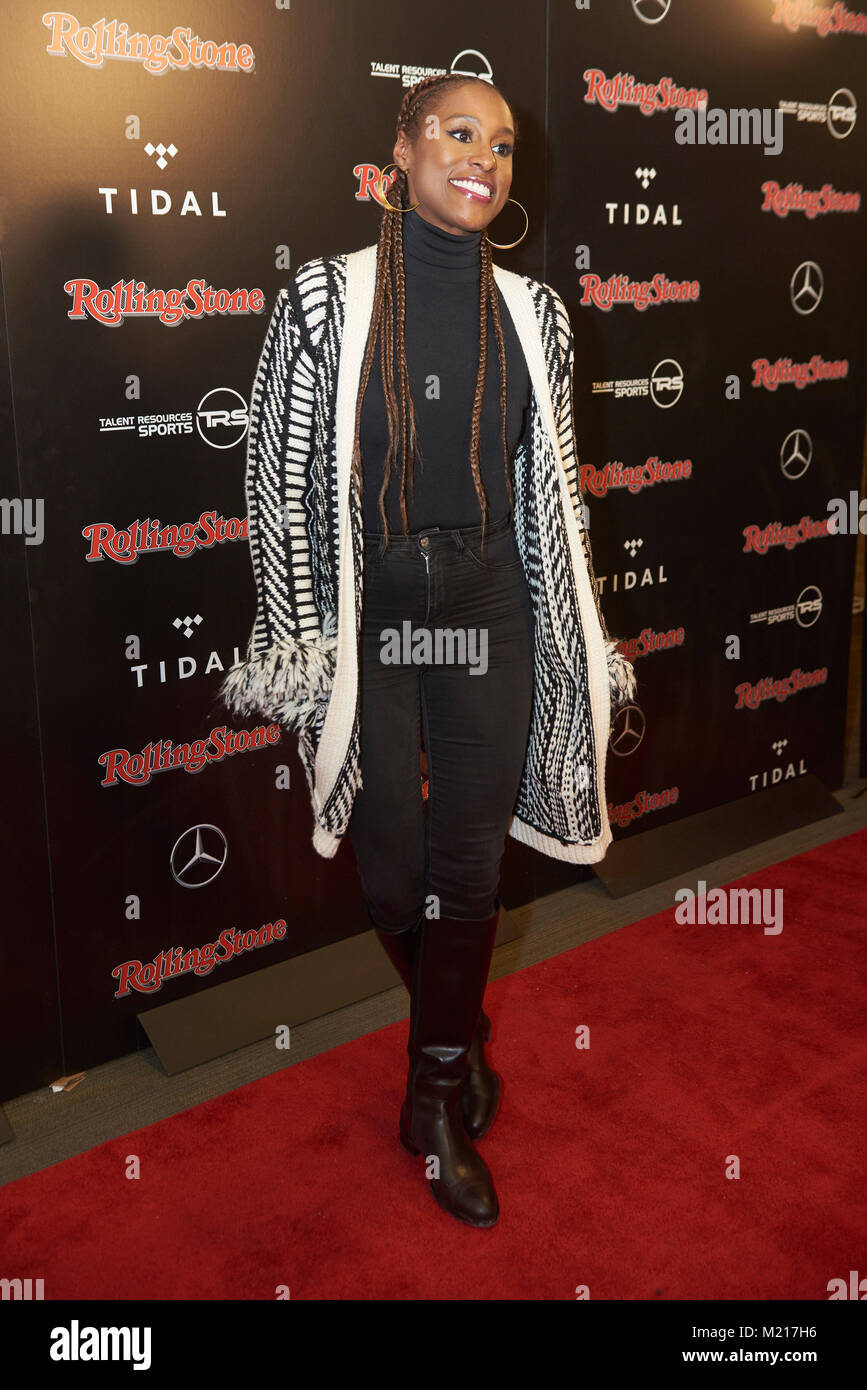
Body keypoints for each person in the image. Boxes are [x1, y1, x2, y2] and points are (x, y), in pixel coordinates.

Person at [218, 72, 636, 1230]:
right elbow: (275, 481)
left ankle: (436, 1094)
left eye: (500, 145)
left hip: (493, 599)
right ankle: (460, 1026)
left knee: (469, 869)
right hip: (376, 611)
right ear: (400, 150)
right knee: (393, 873)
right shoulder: (323, 301)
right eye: (458, 133)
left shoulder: (537, 313)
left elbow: (552, 495)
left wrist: (573, 625)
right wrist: (300, 628)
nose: (483, 158)